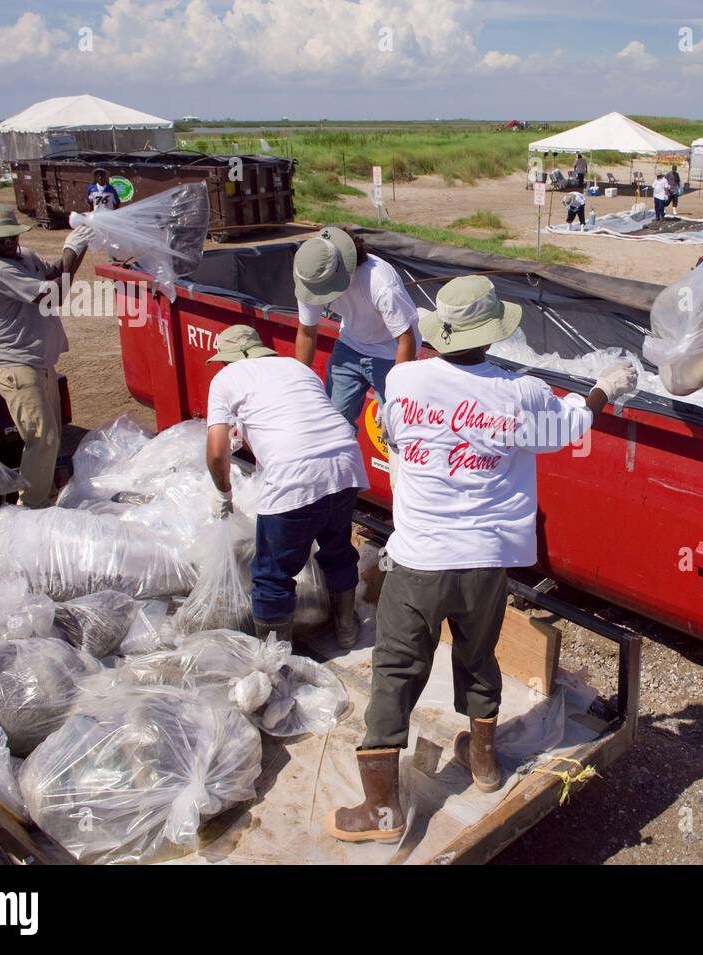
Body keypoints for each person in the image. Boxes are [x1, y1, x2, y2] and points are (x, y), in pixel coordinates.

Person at [326, 275, 637, 844]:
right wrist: (602, 390)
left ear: (440, 333)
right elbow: (571, 428)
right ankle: (486, 764)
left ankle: (381, 809)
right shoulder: (521, 395)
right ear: (493, 336)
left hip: (419, 561)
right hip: (486, 562)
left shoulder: (404, 379)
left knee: (396, 671)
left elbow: (390, 431)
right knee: (477, 654)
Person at [204, 325, 369, 647]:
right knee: (337, 551)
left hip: (296, 475)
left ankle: (275, 657)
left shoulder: (225, 379)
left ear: (227, 360)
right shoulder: (295, 367)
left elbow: (215, 452)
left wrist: (224, 494)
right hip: (346, 465)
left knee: (271, 574)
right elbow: (301, 421)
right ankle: (346, 629)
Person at [0, 203, 87, 508]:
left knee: (52, 435)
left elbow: (57, 272)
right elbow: (54, 294)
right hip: (15, 363)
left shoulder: (25, 257)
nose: (8, 243)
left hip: (38, 361)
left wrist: (80, 243)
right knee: (42, 437)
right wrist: (74, 247)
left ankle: (43, 491)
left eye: (11, 237)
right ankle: (32, 507)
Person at [293, 226, 420, 428]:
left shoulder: (380, 283)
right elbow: (307, 333)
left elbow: (406, 339)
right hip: (350, 345)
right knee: (333, 425)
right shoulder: (311, 277)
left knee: (396, 428)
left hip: (391, 352)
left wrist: (397, 393)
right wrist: (299, 385)